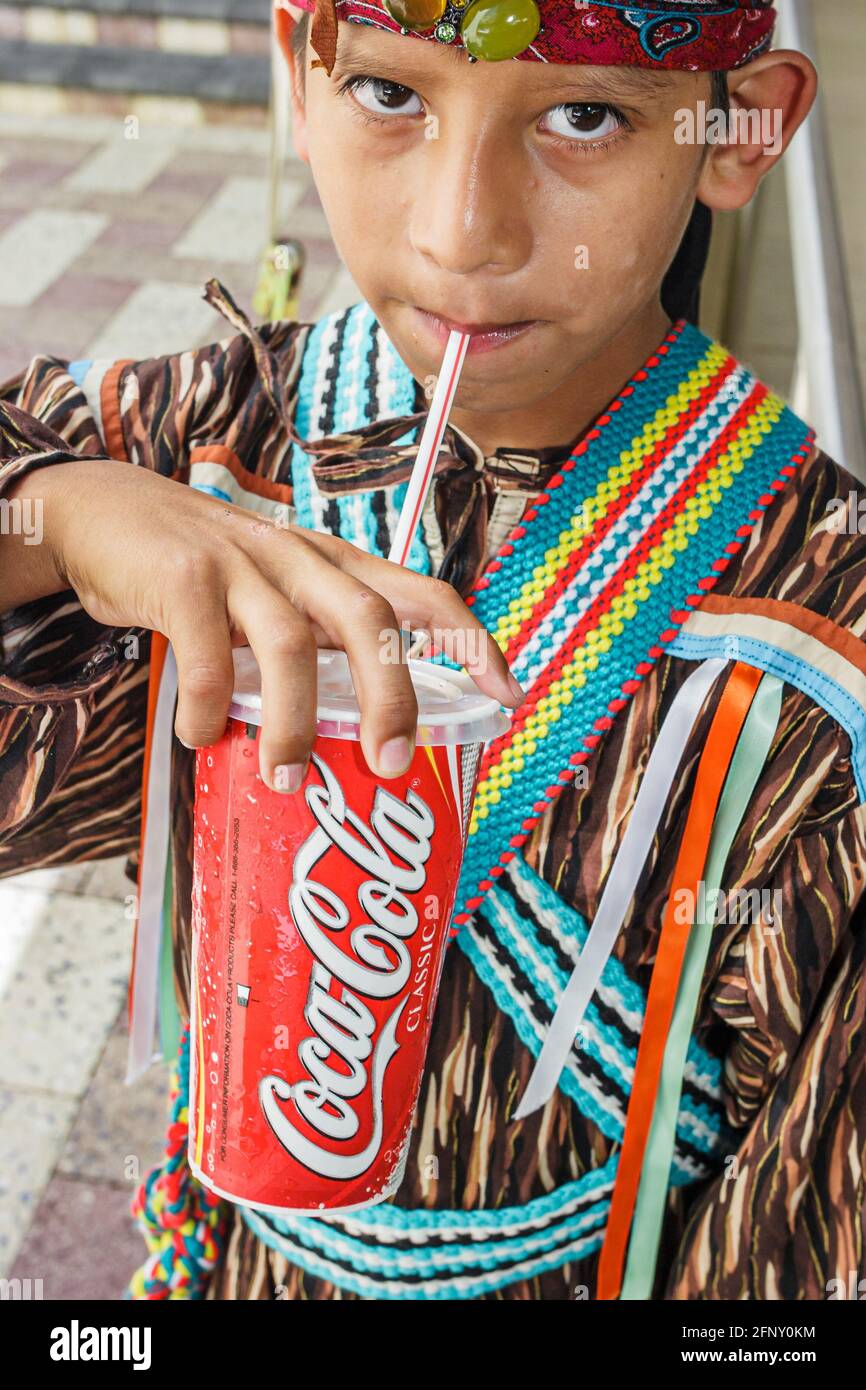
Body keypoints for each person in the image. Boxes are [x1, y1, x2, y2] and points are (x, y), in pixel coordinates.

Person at [0, 0, 864, 1301]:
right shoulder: (214, 453)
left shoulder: (819, 627)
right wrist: (57, 520)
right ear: (301, 71)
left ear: (739, 129)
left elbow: (803, 1243)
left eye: (583, 115)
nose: (461, 231)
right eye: (390, 97)